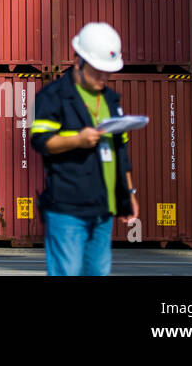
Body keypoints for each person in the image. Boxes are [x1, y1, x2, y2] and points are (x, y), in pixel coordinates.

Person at [29, 22, 139, 276]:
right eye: (98, 71)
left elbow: (120, 152)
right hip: (68, 209)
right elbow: (41, 141)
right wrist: (77, 140)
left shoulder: (111, 101)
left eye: (107, 73)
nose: (103, 78)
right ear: (79, 61)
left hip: (103, 209)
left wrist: (129, 192)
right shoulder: (53, 97)